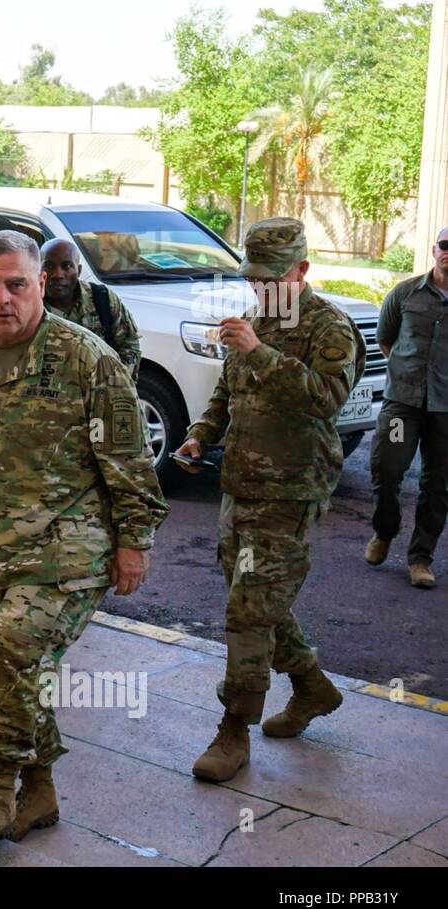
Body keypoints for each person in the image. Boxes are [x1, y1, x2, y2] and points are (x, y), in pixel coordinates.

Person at [0, 230, 168, 849]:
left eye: (17, 285)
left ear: (40, 283)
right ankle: (40, 788)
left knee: (13, 654)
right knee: (16, 669)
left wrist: (135, 541)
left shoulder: (86, 360)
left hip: (67, 550)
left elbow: (130, 461)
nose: (3, 299)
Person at [174, 218, 363, 782]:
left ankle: (234, 729)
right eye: (253, 279)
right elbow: (226, 394)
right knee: (256, 600)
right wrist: (199, 436)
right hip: (240, 485)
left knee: (248, 607)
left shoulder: (331, 328)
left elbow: (325, 400)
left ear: (302, 271)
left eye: (271, 279)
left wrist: (257, 351)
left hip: (291, 490)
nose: (259, 289)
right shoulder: (256, 321)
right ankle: (311, 687)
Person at [366, 226, 448, 589]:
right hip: (403, 405)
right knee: (388, 467)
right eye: (445, 245)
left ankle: (420, 558)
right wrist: (406, 374)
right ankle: (384, 532)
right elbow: (386, 340)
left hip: (445, 410)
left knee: (438, 484)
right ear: (434, 249)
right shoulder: (405, 293)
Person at [41, 237, 143, 380]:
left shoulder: (102, 299)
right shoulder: (28, 306)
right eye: (49, 266)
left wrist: (115, 382)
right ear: (38, 270)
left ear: (79, 270)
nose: (58, 274)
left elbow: (130, 346)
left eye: (67, 266)